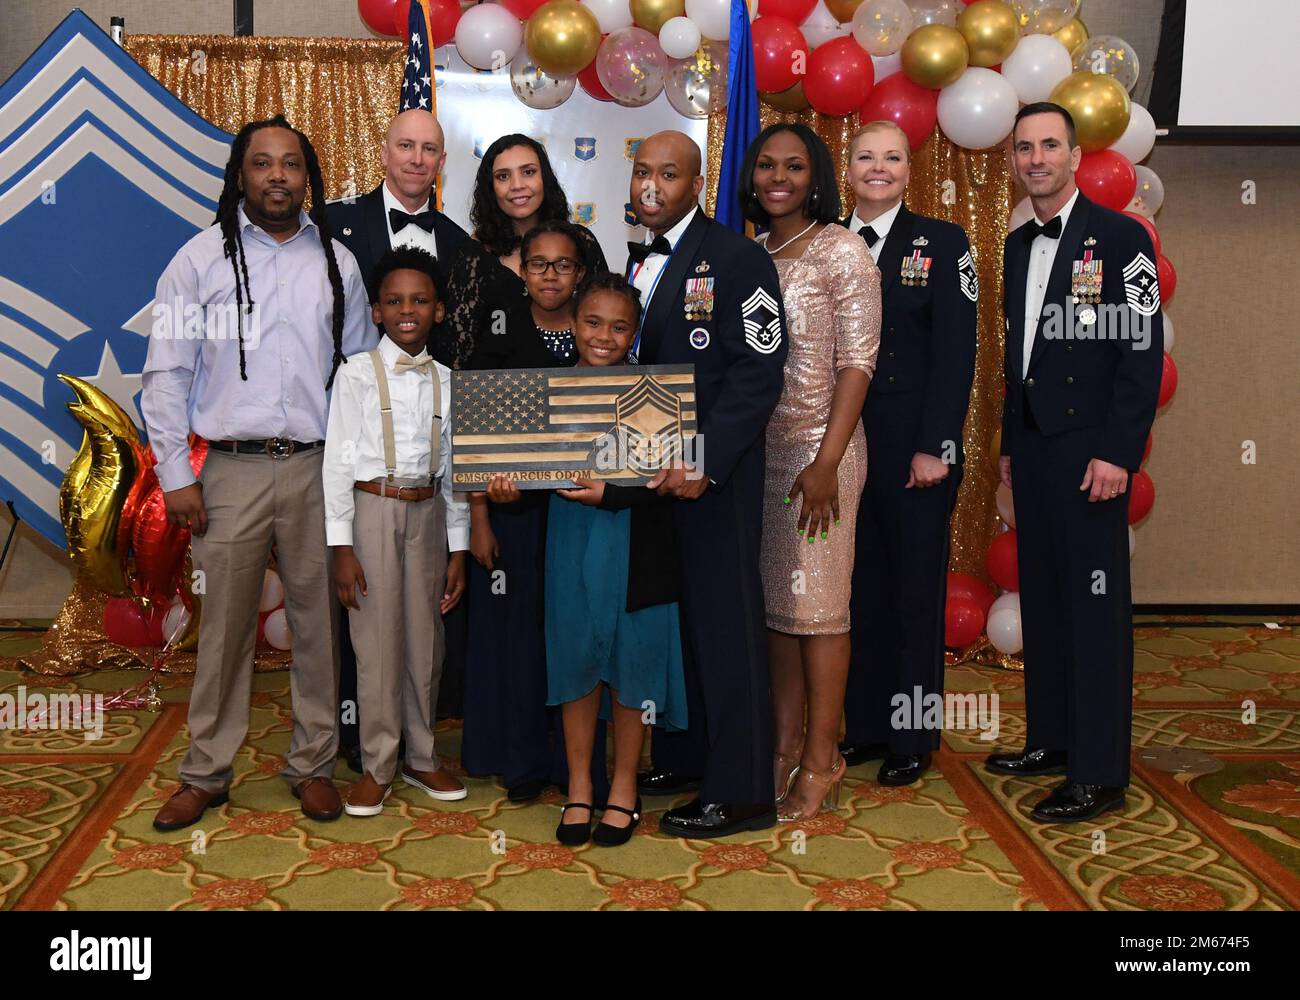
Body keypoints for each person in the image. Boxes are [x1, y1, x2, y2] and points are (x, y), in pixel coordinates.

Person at [144, 115, 375, 831]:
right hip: (231, 474)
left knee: (318, 626)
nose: (278, 176)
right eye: (262, 164)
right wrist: (174, 475)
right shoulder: (198, 260)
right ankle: (206, 772)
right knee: (225, 632)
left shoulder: (338, 263)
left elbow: (362, 374)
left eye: (291, 165)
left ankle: (312, 765)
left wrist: (357, 471)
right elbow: (167, 373)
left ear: (309, 177)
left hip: (314, 468)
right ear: (239, 176)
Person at [988, 102, 1162, 823]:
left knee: (1092, 610)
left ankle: (1098, 773)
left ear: (1073, 154)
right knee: (1048, 599)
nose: (1036, 158)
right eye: (1025, 147)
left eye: (1049, 145)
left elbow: (1142, 352)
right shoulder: (1018, 244)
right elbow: (1017, 357)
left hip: (1094, 453)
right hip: (1033, 447)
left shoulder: (1124, 239)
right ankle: (1052, 742)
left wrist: (1119, 452)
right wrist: (1006, 442)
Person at [487, 273, 687, 847]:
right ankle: (581, 785)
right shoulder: (544, 390)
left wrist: (613, 493)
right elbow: (525, 473)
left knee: (634, 664)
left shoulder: (654, 394)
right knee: (575, 661)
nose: (604, 336)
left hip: (637, 542)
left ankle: (624, 787)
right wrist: (503, 488)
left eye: (619, 326)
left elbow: (667, 481)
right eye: (593, 323)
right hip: (571, 540)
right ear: (574, 324)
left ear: (635, 333)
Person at [627, 130, 788, 838]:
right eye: (642, 172)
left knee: (727, 629)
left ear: (697, 184)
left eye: (668, 173)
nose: (651, 185)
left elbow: (759, 374)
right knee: (683, 623)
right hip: (658, 476)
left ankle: (744, 788)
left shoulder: (739, 258)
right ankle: (690, 757)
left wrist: (705, 460)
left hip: (711, 480)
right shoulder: (636, 259)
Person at [451, 178, 610, 805]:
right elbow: (475, 435)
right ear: (522, 272)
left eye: (562, 264)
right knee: (517, 637)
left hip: (583, 513)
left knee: (574, 633)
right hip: (514, 517)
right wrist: (481, 516)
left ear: (579, 272)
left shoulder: (601, 335)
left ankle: (573, 767)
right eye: (537, 263)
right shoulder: (495, 333)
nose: (549, 274)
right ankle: (520, 762)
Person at [740, 123, 880, 821]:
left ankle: (823, 761)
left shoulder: (842, 249)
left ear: (815, 175)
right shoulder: (751, 251)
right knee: (778, 616)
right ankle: (782, 745)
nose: (778, 177)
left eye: (794, 166)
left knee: (820, 616)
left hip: (822, 456)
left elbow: (858, 362)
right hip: (760, 458)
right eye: (766, 165)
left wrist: (826, 460)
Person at [327, 108, 469, 774]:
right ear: (383, 152)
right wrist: (338, 542)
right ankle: (370, 757)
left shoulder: (458, 244)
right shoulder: (335, 227)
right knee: (371, 640)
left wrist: (461, 543)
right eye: (405, 146)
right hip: (367, 489)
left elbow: (452, 468)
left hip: (429, 504)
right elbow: (336, 462)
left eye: (430, 149)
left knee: (425, 641)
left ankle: (421, 751)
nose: (417, 158)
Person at [840, 121, 978, 787]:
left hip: (911, 446)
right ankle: (862, 726)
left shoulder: (944, 244)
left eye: (891, 158)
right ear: (848, 166)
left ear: (908, 170)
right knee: (853, 590)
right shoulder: (824, 244)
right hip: (837, 446)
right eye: (866, 156)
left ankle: (911, 735)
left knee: (913, 592)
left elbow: (958, 356)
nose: (878, 167)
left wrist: (935, 447)